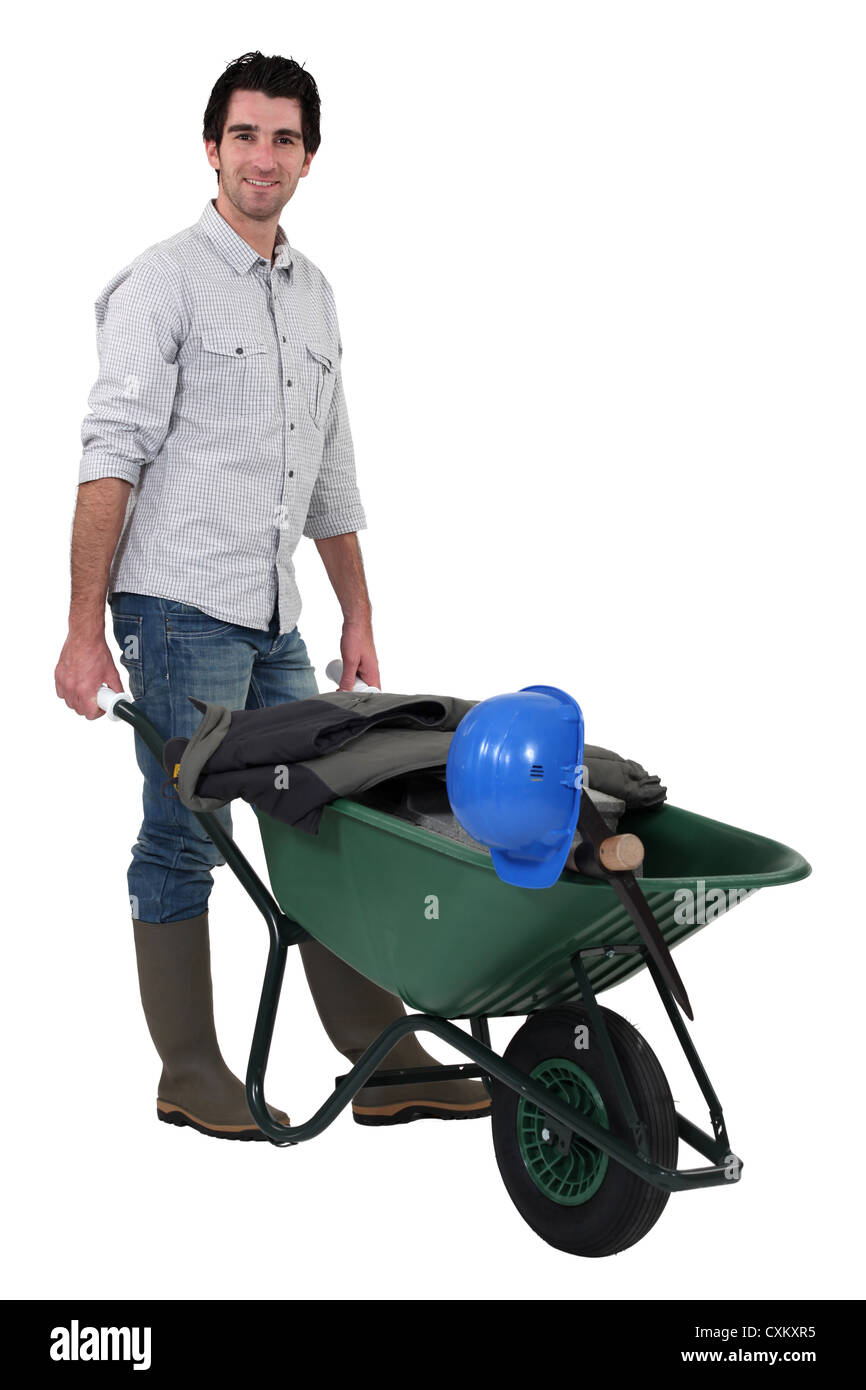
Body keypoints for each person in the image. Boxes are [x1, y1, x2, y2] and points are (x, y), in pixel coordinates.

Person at [54, 50, 490, 1139]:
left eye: (283, 138)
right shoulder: (162, 281)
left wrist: (359, 609)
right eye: (244, 135)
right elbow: (110, 454)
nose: (263, 155)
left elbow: (329, 469)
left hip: (272, 617)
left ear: (309, 157)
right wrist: (80, 629)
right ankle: (189, 1069)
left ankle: (375, 1057)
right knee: (183, 833)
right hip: (173, 609)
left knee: (326, 816)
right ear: (211, 148)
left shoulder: (317, 292)